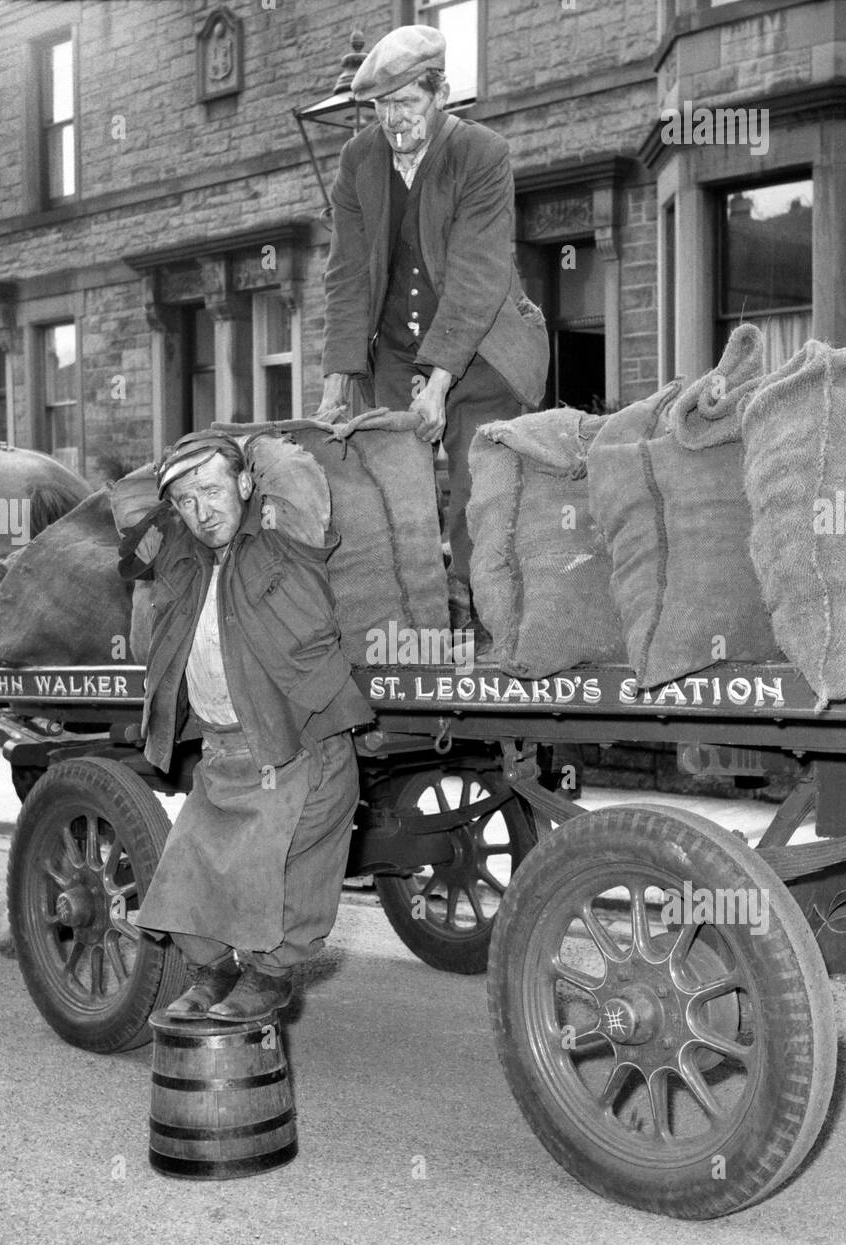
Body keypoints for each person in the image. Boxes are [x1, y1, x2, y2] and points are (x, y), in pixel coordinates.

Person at [130, 431, 372, 1022]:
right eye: (186, 501)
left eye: (212, 490)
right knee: (190, 868)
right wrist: (180, 475)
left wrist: (240, 442)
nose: (201, 511)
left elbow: (295, 468)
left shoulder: (284, 534)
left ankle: (268, 975)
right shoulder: (183, 557)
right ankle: (213, 973)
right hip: (223, 754)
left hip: (295, 749)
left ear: (244, 483)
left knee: (279, 874)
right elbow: (129, 510)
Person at [315, 23, 548, 628]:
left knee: (480, 492)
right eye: (381, 107)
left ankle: (486, 623)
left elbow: (476, 274)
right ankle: (415, 622)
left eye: (406, 104)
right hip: (395, 347)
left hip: (484, 349)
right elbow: (345, 275)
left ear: (439, 94)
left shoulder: (482, 153)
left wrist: (439, 385)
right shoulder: (357, 159)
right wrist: (337, 384)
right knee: (398, 490)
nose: (393, 121)